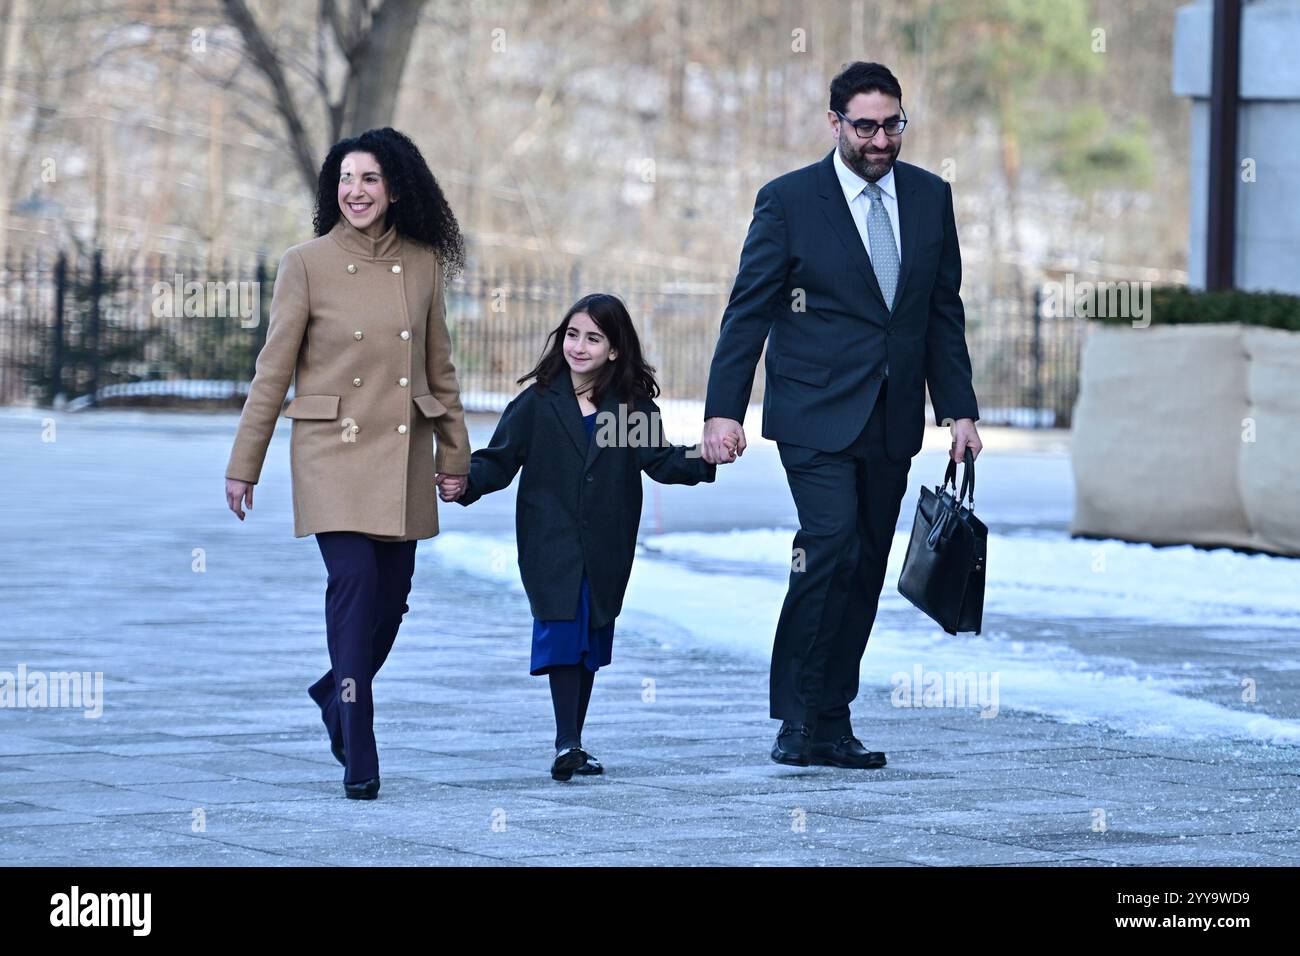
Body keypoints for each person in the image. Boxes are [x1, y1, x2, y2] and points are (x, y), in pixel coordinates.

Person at [699, 62, 984, 770]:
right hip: (813, 413)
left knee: (864, 566)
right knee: (827, 546)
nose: (882, 139)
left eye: (893, 124)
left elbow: (941, 314)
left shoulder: (929, 197)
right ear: (835, 124)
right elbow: (749, 310)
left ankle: (832, 719)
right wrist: (721, 412)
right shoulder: (790, 201)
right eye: (866, 125)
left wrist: (960, 412)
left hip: (891, 419)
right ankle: (796, 717)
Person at [223, 127, 471, 800]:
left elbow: (439, 370)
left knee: (392, 603)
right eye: (345, 180)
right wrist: (245, 463)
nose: (355, 192)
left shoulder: (422, 263)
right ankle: (359, 745)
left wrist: (455, 455)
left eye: (369, 180)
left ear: (395, 188)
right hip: (331, 449)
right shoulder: (305, 262)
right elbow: (272, 372)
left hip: (401, 454)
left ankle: (335, 694)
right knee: (356, 583)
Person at [444, 293, 724, 780]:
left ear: (614, 350)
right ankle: (566, 742)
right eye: (573, 334)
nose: (579, 346)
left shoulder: (628, 409)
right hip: (549, 541)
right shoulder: (537, 402)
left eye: (593, 338)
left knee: (588, 638)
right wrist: (464, 479)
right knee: (562, 630)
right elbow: (501, 459)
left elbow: (659, 461)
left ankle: (571, 740)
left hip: (605, 544)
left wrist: (706, 456)